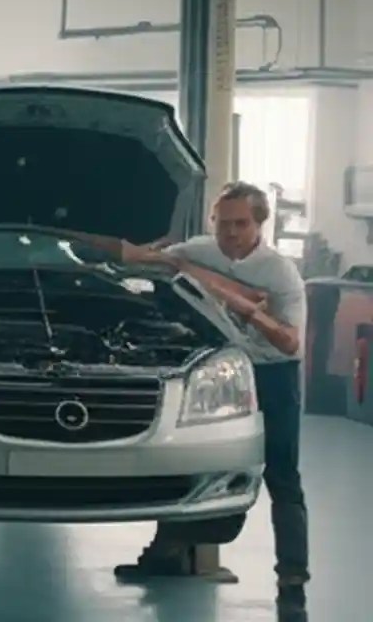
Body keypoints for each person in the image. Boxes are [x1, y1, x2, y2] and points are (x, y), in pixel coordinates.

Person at [118, 181, 309, 615]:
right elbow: (157, 261)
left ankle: (293, 577)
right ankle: (164, 556)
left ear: (260, 223)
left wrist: (249, 309)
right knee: (189, 458)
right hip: (218, 370)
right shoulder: (200, 251)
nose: (231, 233)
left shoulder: (279, 272)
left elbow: (290, 343)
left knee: (283, 476)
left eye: (241, 224)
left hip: (273, 374)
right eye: (223, 224)